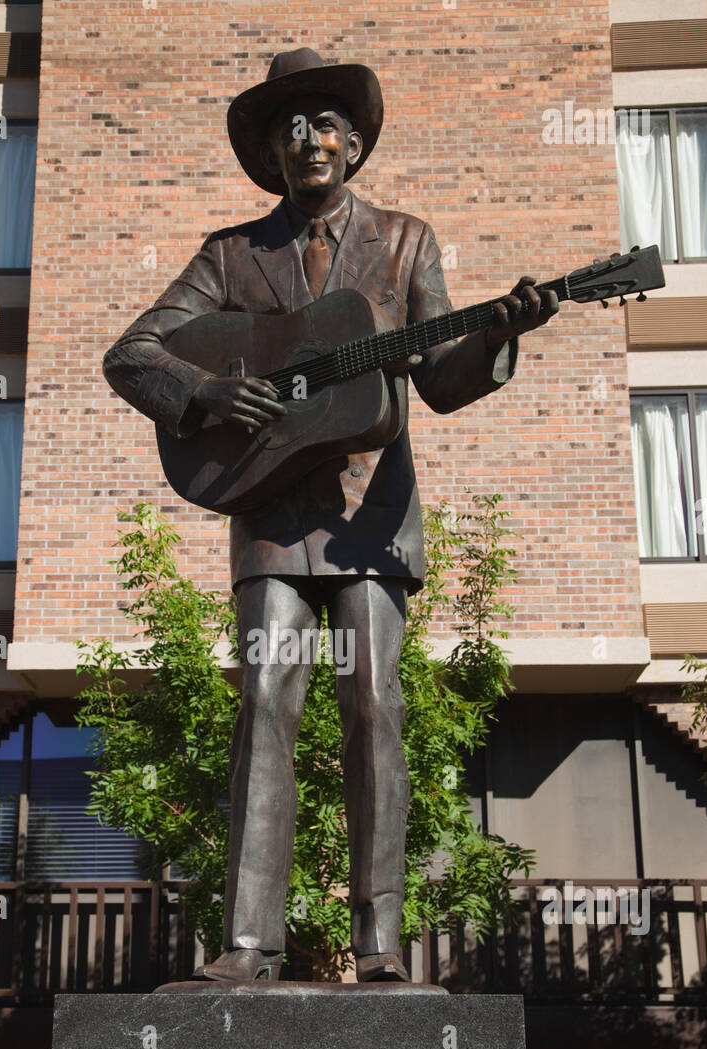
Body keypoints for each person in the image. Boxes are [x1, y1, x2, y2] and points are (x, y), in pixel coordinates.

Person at [102, 48, 558, 983]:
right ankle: (245, 944)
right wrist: (209, 394)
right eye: (290, 128)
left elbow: (438, 380)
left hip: (369, 522)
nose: (308, 140)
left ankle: (379, 944)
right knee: (266, 703)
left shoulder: (405, 242)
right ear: (273, 153)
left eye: (324, 126)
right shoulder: (234, 254)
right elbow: (133, 352)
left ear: (353, 143)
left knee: (372, 707)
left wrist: (498, 334)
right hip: (269, 515)